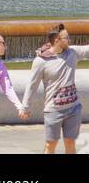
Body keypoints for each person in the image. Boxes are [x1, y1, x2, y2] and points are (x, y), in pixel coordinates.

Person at [21, 23, 89, 154]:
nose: (70, 40)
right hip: (53, 111)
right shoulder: (41, 61)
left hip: (73, 109)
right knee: (50, 145)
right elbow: (32, 85)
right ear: (57, 40)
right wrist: (25, 107)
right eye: (66, 38)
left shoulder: (72, 52)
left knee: (70, 143)